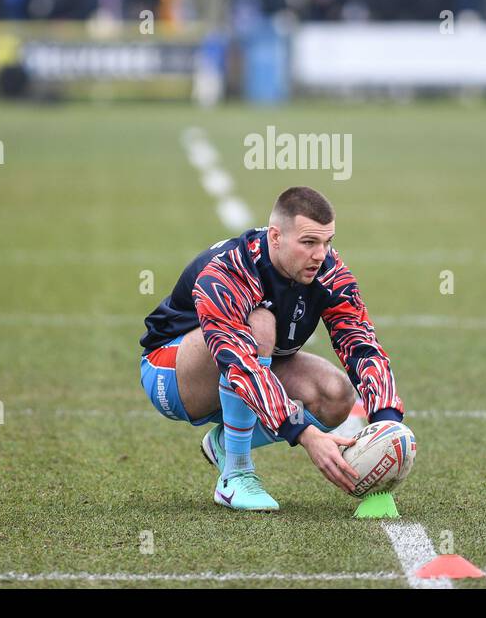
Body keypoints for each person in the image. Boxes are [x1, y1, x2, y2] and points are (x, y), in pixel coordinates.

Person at [138, 186, 405, 512]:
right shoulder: (231, 270)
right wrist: (304, 434)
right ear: (275, 237)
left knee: (336, 395)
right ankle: (234, 475)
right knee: (260, 322)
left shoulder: (328, 270)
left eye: (327, 241)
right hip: (172, 372)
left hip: (251, 362)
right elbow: (238, 362)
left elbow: (360, 342)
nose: (320, 254)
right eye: (308, 242)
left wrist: (388, 421)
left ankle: (224, 443)